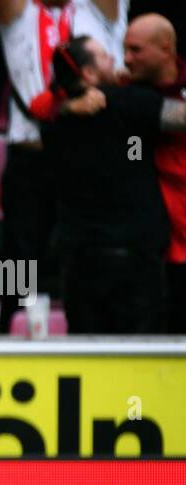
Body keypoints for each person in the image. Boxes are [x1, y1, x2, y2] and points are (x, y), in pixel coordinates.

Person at [0, 0, 127, 333]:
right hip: (32, 151)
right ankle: (11, 333)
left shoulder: (94, 11)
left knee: (83, 249)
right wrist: (67, 108)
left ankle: (89, 333)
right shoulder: (20, 14)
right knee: (22, 253)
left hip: (89, 157)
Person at [44, 35, 182, 332]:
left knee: (86, 357)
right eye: (107, 57)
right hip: (133, 261)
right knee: (140, 358)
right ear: (90, 74)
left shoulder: (54, 120)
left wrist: (64, 105)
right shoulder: (128, 102)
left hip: (78, 260)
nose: (117, 61)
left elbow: (45, 106)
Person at [124, 13, 186, 332]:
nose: (126, 59)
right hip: (156, 244)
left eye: (136, 51)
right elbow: (47, 103)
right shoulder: (123, 91)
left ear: (165, 49)